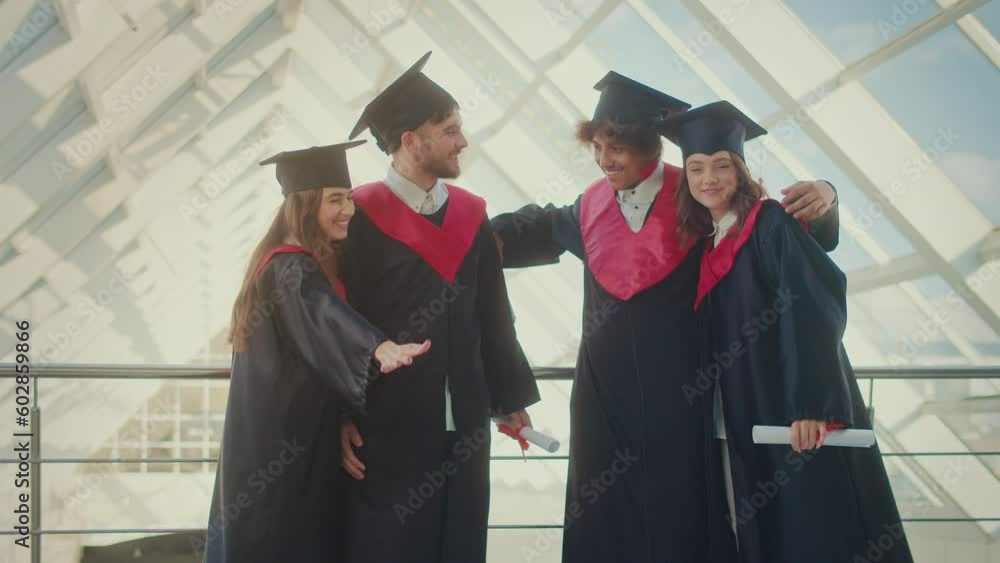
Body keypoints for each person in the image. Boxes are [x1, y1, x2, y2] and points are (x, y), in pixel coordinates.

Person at [490, 72, 841, 563]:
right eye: (598, 146)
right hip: (602, 397)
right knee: (603, 517)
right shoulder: (588, 207)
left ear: (651, 146)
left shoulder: (697, 195)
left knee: (680, 519)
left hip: (683, 393)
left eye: (618, 147)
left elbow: (781, 242)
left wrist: (827, 196)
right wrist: (465, 233)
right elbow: (535, 228)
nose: (605, 160)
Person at [663, 100, 913, 563]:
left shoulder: (769, 223)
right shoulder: (708, 239)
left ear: (741, 171)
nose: (708, 179)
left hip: (783, 407)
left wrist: (811, 405)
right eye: (695, 169)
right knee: (756, 525)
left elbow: (814, 305)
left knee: (808, 524)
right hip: (735, 410)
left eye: (721, 165)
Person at [338, 52, 540, 563]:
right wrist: (336, 415)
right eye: (449, 130)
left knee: (463, 539)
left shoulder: (471, 214)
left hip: (466, 417)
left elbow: (494, 313)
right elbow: (338, 322)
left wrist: (507, 395)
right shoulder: (356, 216)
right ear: (410, 140)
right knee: (391, 545)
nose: (463, 142)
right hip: (386, 420)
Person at [201, 140, 431, 563]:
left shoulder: (292, 261)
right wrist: (378, 347)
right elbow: (323, 316)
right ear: (305, 204)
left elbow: (313, 341)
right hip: (281, 451)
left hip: (288, 440)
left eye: (348, 197)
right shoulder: (290, 268)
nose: (349, 209)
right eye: (335, 200)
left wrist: (342, 415)